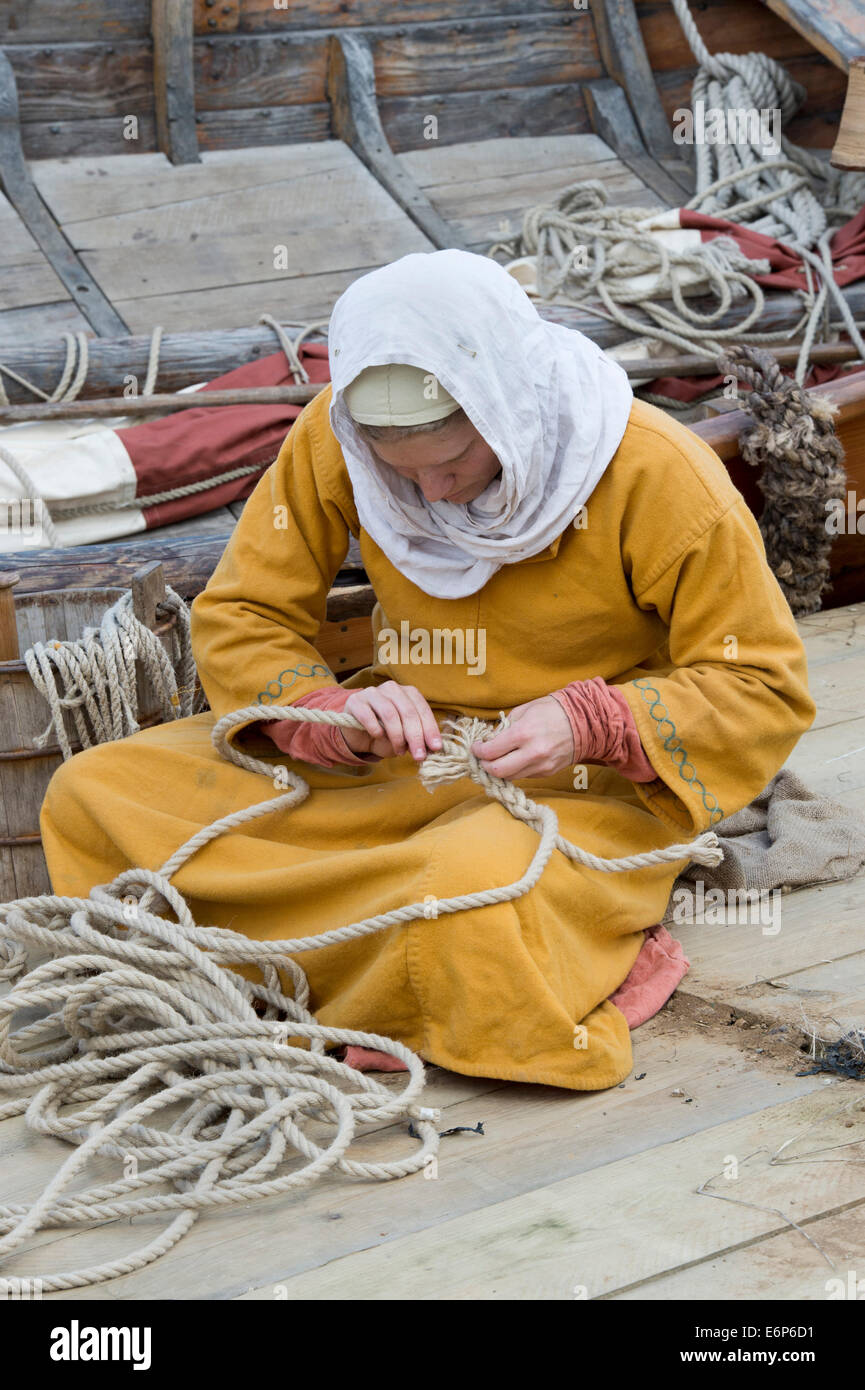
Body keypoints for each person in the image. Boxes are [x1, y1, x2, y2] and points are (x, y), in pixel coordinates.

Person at [40, 249, 815, 1090]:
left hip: (583, 784)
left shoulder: (655, 472)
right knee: (92, 792)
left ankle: (423, 961)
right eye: (402, 475)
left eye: (452, 464)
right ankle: (397, 967)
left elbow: (760, 681)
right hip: (395, 757)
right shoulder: (335, 436)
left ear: (507, 408)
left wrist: (592, 722)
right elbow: (244, 613)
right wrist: (316, 710)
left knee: (460, 894)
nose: (434, 493)